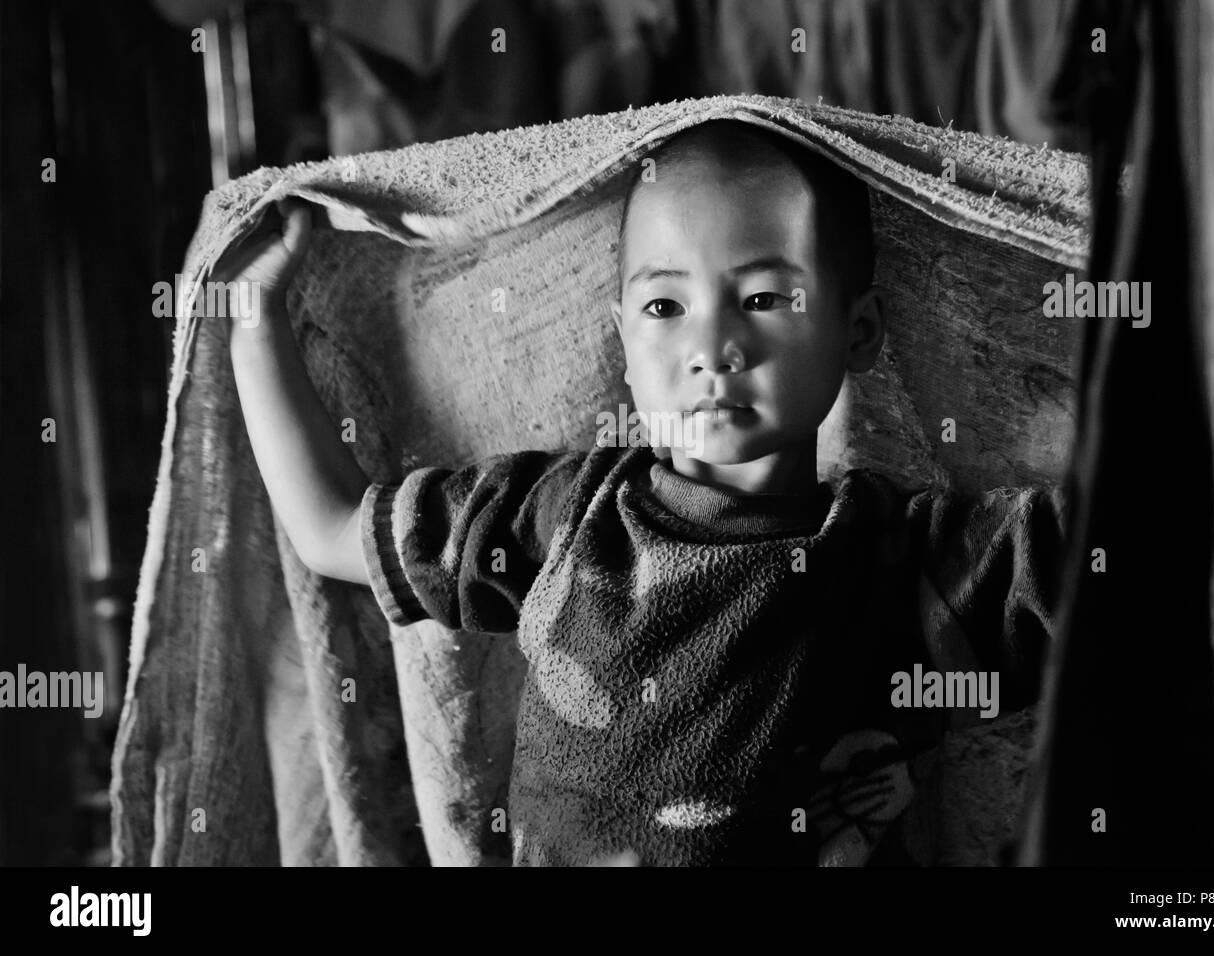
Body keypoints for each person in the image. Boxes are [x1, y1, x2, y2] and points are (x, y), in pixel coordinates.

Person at [219, 119, 1065, 866]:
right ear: (622, 342)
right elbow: (329, 531)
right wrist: (252, 315)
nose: (713, 346)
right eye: (666, 306)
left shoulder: (905, 564)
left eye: (765, 297)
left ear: (860, 331)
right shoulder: (557, 520)